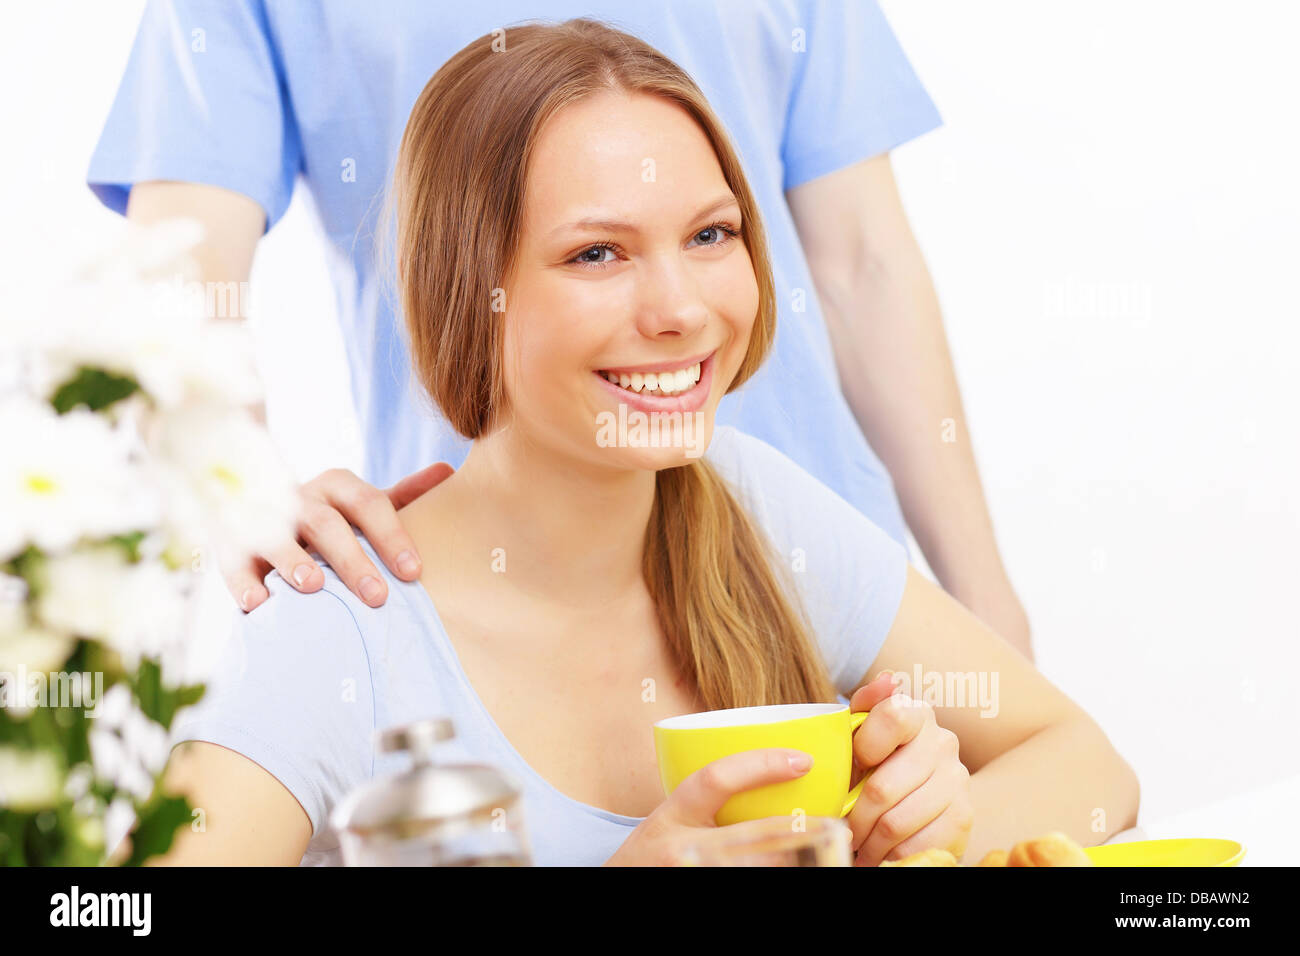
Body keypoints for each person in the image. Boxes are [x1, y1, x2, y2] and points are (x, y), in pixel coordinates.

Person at [148, 21, 1136, 867]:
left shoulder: (755, 511)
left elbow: (1089, 765)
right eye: (596, 253)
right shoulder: (340, 626)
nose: (681, 309)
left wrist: (912, 836)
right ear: (469, 292)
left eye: (711, 235)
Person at [88, 0, 1034, 658]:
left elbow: (862, 262)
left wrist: (985, 609)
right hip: (497, 616)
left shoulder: (842, 578)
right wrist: (246, 505)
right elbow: (179, 269)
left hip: (816, 588)